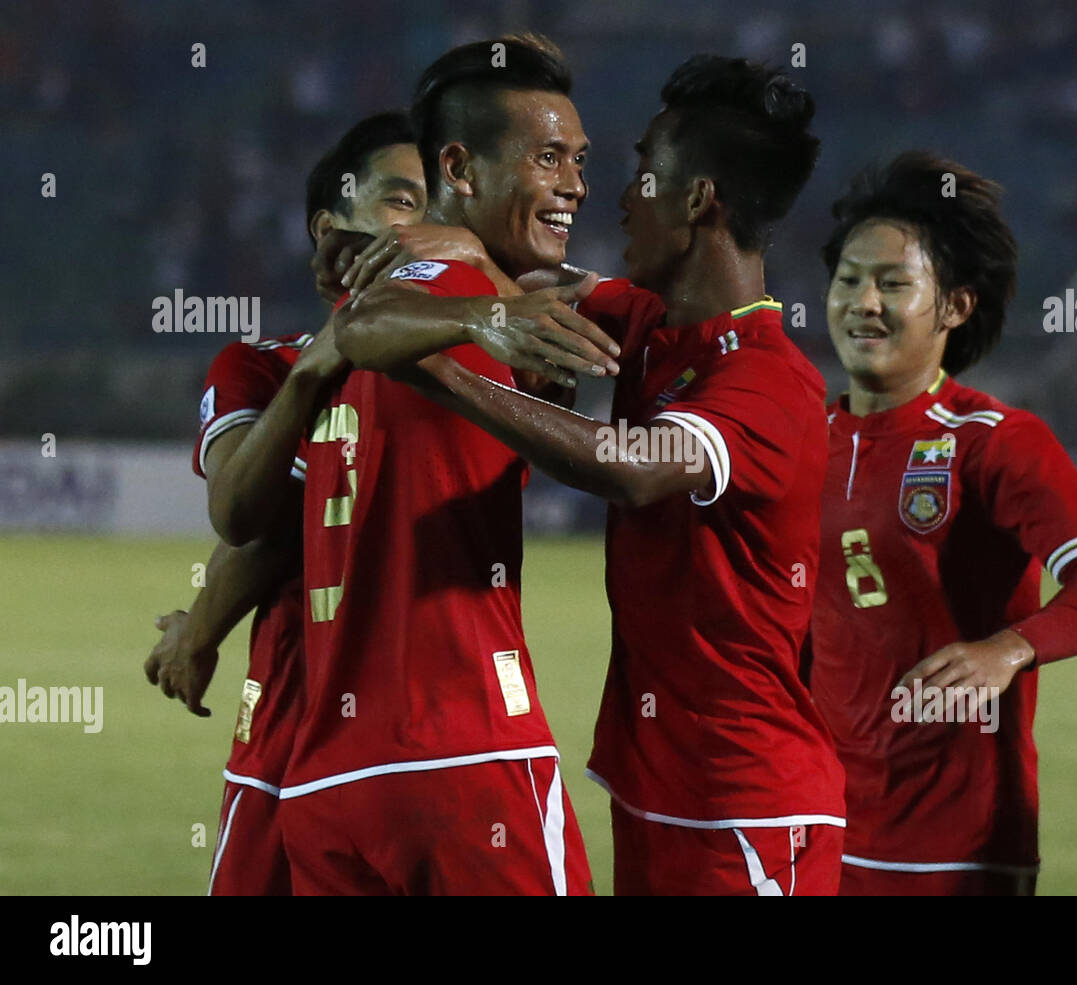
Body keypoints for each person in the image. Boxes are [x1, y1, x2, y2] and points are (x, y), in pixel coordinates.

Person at [338, 55, 846, 896]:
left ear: (698, 202)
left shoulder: (770, 378)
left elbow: (632, 467)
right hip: (657, 787)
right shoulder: (648, 321)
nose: (614, 193)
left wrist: (438, 373)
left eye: (646, 174)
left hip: (749, 805)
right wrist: (459, 232)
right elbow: (522, 279)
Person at [277, 35, 618, 896]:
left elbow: (359, 328)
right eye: (548, 158)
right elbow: (373, 326)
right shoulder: (443, 288)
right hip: (469, 751)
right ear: (459, 167)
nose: (576, 183)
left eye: (580, 159)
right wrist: (487, 318)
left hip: (330, 779)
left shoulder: (424, 287)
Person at [806, 152, 1077, 895]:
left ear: (955, 307)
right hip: (818, 828)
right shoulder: (802, 441)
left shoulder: (993, 439)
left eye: (893, 283)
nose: (864, 301)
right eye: (849, 278)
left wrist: (1009, 649)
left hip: (957, 846)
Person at [143, 111, 428, 894]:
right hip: (288, 739)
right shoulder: (261, 368)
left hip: (439, 746)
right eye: (402, 202)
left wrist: (198, 632)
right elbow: (258, 516)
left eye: (441, 211)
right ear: (331, 228)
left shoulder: (462, 366)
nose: (424, 231)